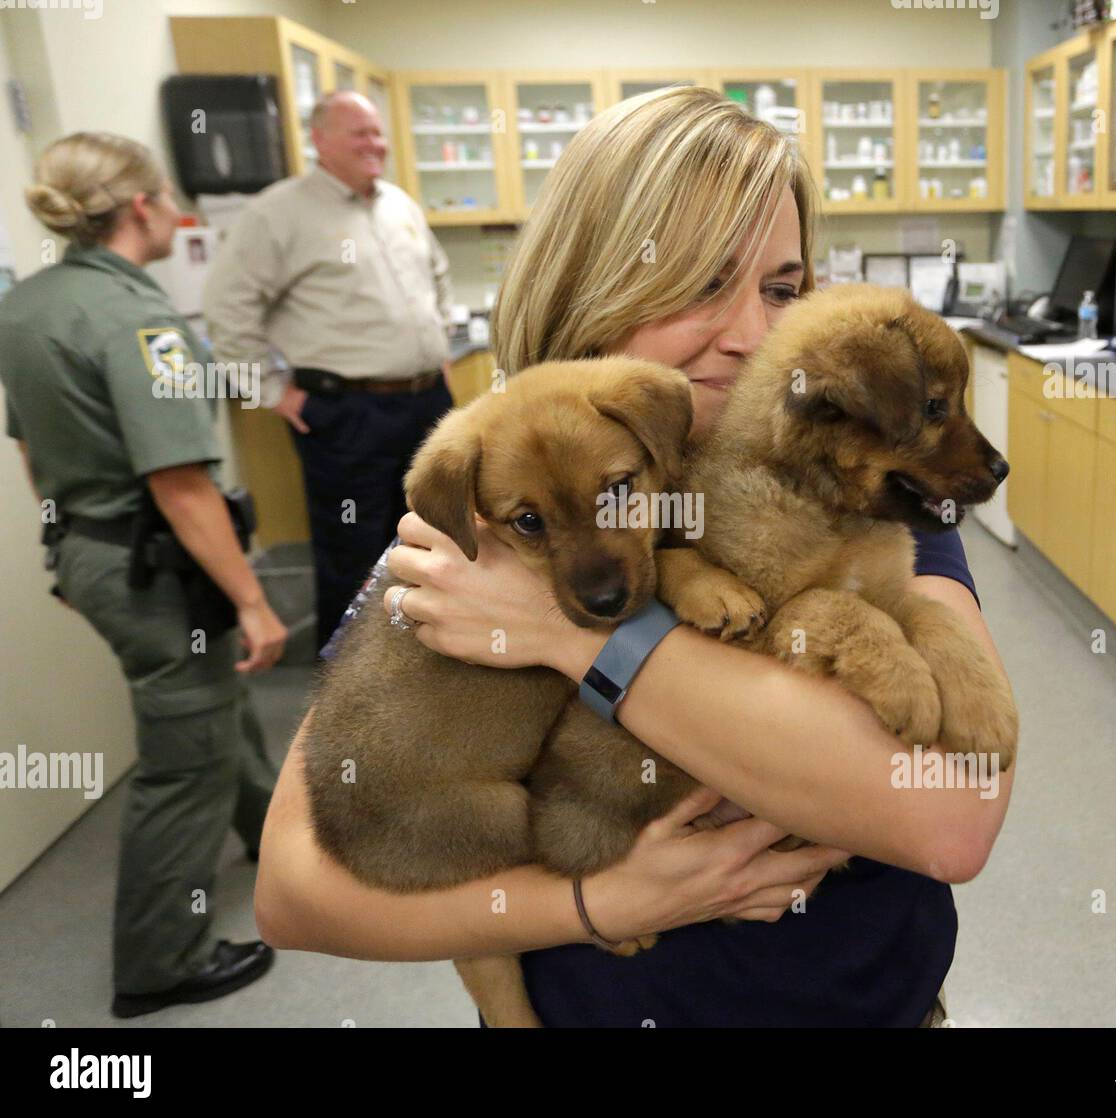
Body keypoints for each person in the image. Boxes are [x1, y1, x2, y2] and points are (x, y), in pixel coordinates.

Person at [254, 87, 1017, 1027]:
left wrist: (581, 643)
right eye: (699, 285)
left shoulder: (859, 475)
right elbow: (294, 889)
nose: (754, 335)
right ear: (586, 287)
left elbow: (953, 820)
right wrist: (597, 905)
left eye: (783, 288)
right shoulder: (510, 495)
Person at [0, 132, 287, 1017]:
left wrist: (59, 548)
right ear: (138, 210)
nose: (176, 212)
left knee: (209, 695)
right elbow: (179, 480)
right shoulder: (137, 320)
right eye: (166, 198)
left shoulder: (31, 304)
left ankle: (273, 837)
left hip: (94, 548)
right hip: (154, 559)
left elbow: (32, 451)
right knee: (184, 757)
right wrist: (252, 600)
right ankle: (161, 959)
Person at [203, 90, 457, 653]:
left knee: (437, 537)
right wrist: (273, 392)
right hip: (348, 413)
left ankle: (424, 664)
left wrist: (435, 353)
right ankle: (347, 687)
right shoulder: (278, 213)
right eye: (358, 132)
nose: (375, 143)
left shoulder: (399, 204)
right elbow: (228, 310)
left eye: (378, 132)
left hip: (426, 402)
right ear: (318, 139)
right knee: (356, 550)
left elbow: (437, 280)